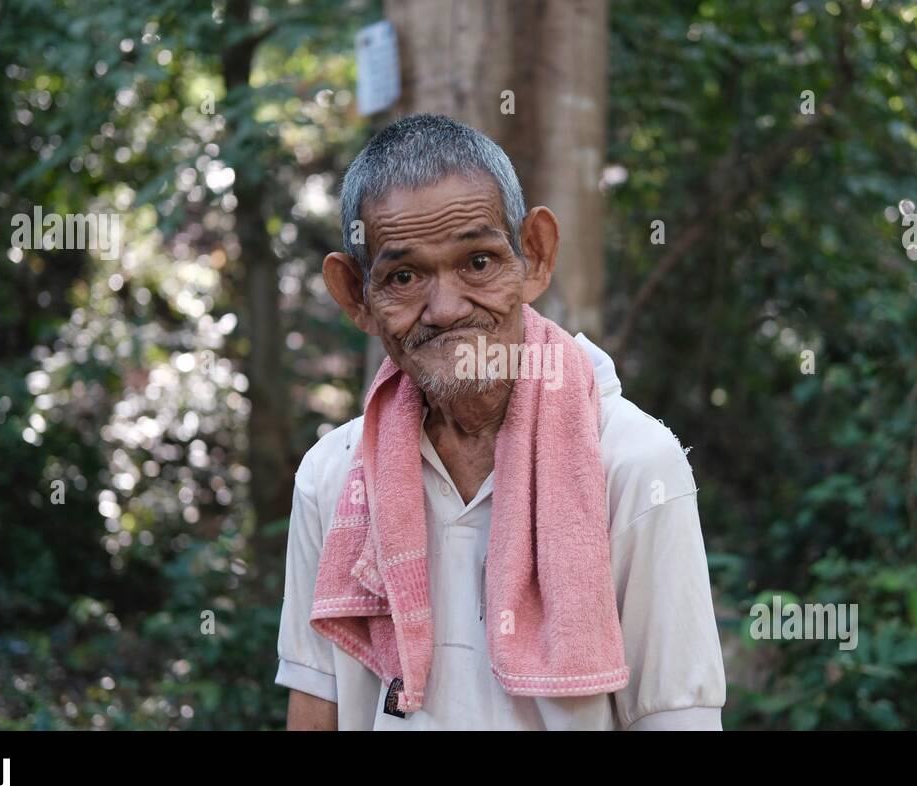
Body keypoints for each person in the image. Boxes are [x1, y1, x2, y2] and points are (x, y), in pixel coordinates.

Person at [276, 113, 725, 730]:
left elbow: (676, 717)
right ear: (357, 296)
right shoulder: (331, 475)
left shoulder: (632, 463)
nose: (447, 308)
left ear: (534, 257)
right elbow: (314, 706)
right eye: (403, 276)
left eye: (479, 262)